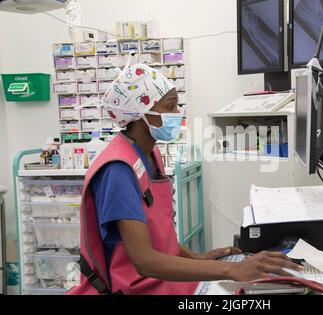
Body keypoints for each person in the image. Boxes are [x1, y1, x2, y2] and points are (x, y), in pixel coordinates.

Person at [68, 64, 301, 295]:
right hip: (138, 287)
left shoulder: (150, 154)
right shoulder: (118, 170)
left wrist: (196, 258)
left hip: (160, 280)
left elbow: (157, 235)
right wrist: (231, 269)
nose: (177, 112)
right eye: (170, 106)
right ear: (140, 114)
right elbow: (144, 260)